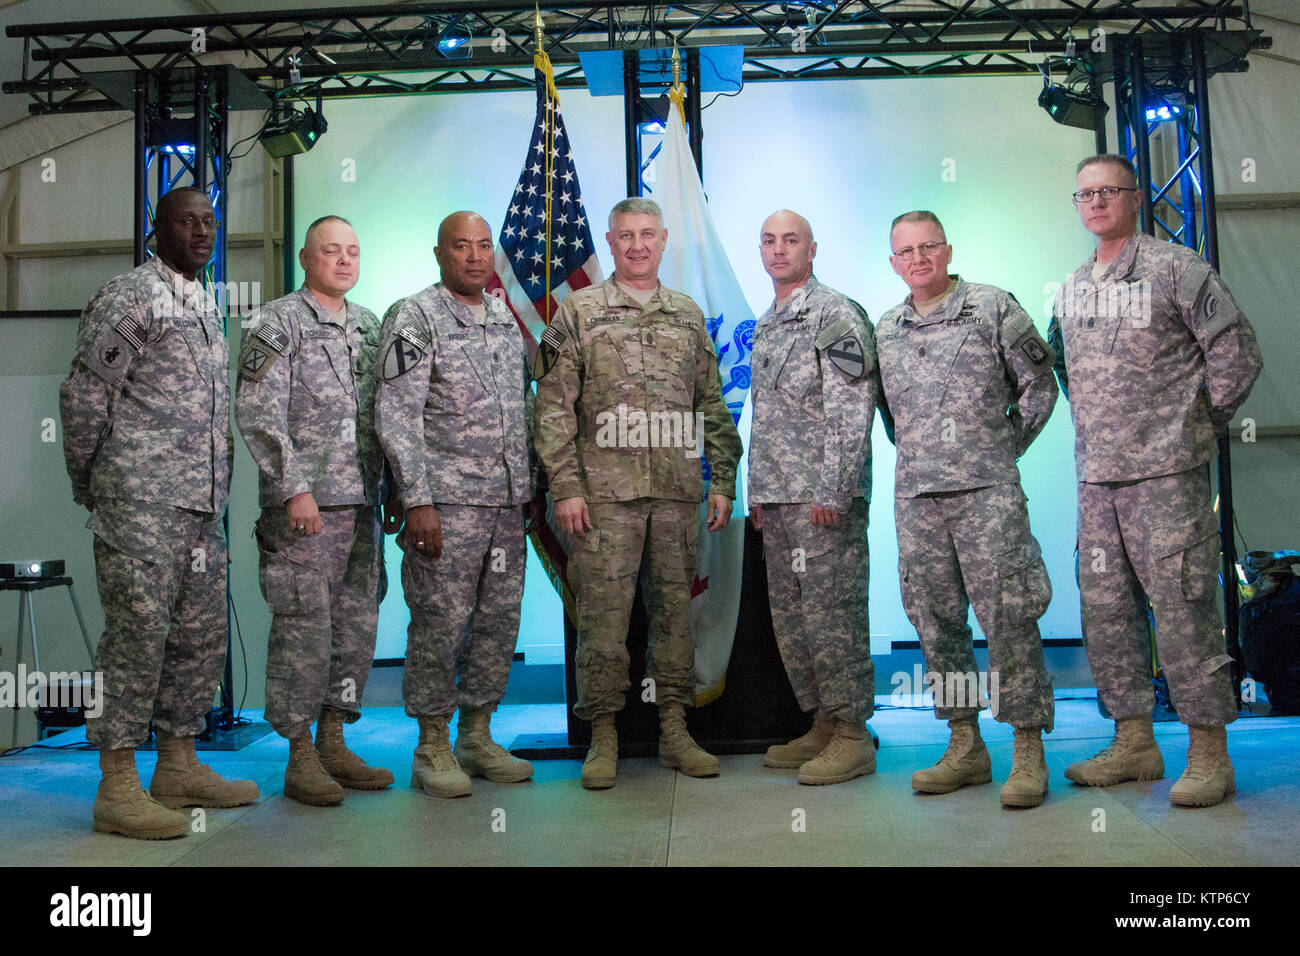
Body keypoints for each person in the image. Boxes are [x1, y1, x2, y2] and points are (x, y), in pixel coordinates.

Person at [1049, 155, 1262, 808]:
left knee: (1184, 609)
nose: (1096, 202)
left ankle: (1208, 753)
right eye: (1085, 193)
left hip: (1166, 479)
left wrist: (1192, 430)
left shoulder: (1176, 268)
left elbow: (1237, 353)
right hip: (1098, 482)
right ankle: (1133, 742)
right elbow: (1065, 367)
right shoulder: (1072, 287)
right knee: (1107, 613)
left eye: (1108, 190)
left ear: (1135, 197)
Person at [60, 186, 258, 840]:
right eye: (186, 221)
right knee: (138, 637)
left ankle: (178, 764)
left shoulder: (204, 300)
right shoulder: (129, 296)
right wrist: (95, 481)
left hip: (200, 505)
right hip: (140, 500)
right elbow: (86, 397)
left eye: (209, 222)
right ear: (156, 228)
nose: (201, 232)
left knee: (197, 638)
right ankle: (117, 784)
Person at [533, 197, 744, 790]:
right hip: (602, 500)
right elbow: (552, 409)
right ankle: (604, 734)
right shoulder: (577, 312)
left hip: (677, 496)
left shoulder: (686, 313)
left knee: (675, 615)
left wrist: (721, 478)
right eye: (625, 236)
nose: (637, 246)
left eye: (647, 234)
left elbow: (709, 403)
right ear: (609, 240)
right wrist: (566, 487)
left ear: (664, 238)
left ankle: (675, 729)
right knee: (603, 618)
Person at [877, 210, 1058, 808]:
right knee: (936, 622)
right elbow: (891, 417)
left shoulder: (992, 307)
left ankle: (1027, 748)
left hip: (987, 495)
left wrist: (1003, 448)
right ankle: (965, 742)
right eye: (906, 252)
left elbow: (1040, 384)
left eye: (928, 247)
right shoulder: (887, 328)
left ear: (948, 250)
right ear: (893, 261)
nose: (918, 259)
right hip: (919, 501)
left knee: (1008, 615)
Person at [374, 211, 535, 798]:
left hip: (507, 503)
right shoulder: (414, 317)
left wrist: (532, 486)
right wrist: (415, 499)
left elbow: (523, 406)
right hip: (445, 505)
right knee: (441, 625)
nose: (474, 256)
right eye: (461, 246)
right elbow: (396, 414)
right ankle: (432, 743)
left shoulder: (503, 318)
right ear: (439, 254)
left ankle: (477, 733)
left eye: (484, 246)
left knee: (497, 622)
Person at [236, 215, 394, 807]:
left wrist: (395, 488)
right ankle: (299, 754)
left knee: (355, 630)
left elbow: (390, 416)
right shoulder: (275, 322)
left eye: (353, 250)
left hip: (361, 504)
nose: (345, 261)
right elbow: (258, 412)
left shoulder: (371, 326)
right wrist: (292, 487)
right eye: (332, 251)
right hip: (304, 506)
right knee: (304, 630)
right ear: (306, 258)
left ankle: (333, 740)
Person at [748, 209, 880, 785]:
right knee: (794, 617)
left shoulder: (834, 315)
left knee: (834, 615)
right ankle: (823, 723)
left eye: (791, 240)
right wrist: (757, 490)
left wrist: (834, 488)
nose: (779, 250)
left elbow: (853, 410)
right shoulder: (769, 321)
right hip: (778, 498)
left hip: (820, 499)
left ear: (813, 248)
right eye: (770, 241)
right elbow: (766, 417)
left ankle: (853, 733)